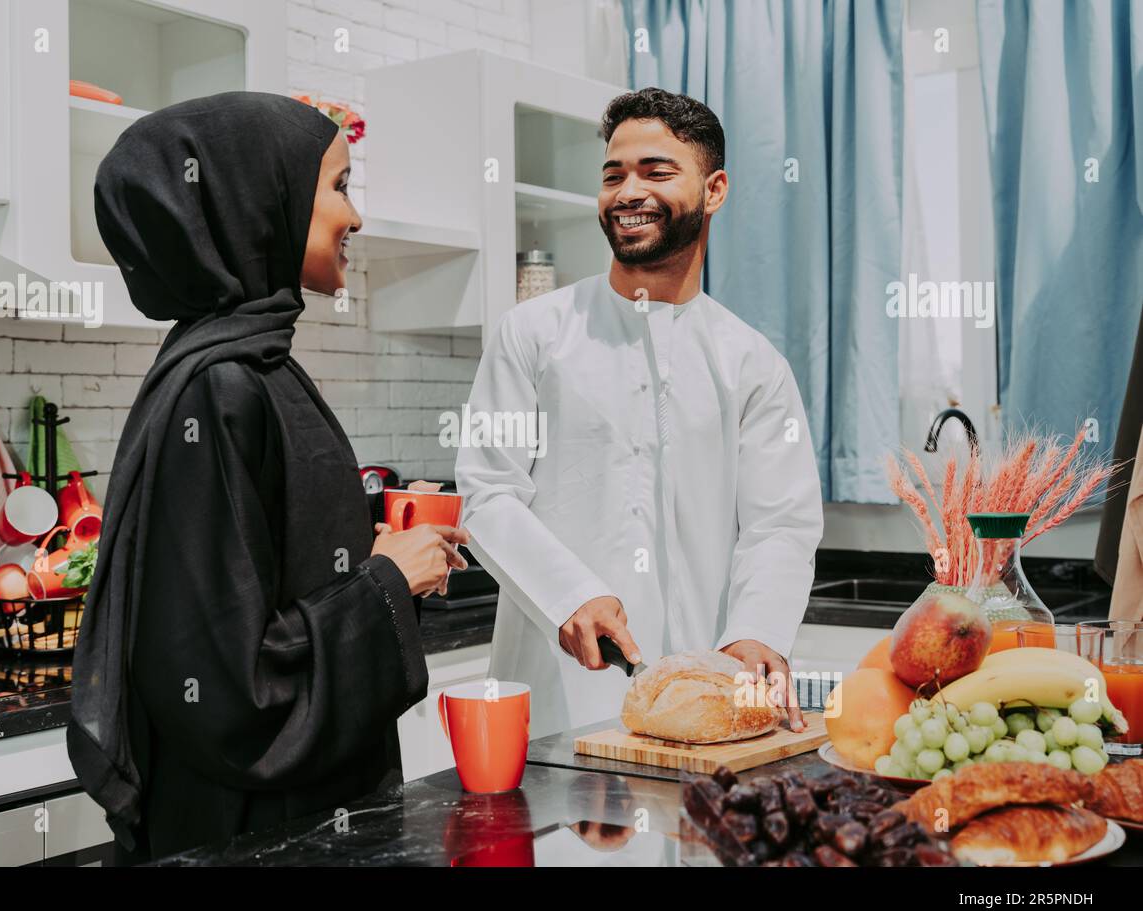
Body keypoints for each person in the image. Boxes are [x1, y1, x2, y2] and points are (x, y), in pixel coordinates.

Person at [67, 92, 468, 864]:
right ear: (263, 200)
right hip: (254, 835)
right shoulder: (219, 389)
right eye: (341, 186)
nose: (355, 218)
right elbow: (224, 682)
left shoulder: (258, 369)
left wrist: (382, 560)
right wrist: (387, 579)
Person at [455, 88, 824, 739]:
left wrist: (756, 632)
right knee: (565, 837)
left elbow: (781, 524)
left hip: (706, 696)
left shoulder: (752, 363)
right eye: (612, 174)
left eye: (656, 172)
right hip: (556, 697)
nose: (628, 192)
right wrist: (568, 593)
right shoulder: (532, 334)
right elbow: (488, 492)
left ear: (714, 190)